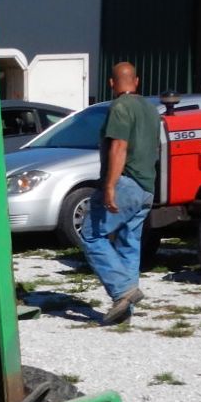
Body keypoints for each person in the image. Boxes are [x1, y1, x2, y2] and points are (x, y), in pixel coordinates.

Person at [81, 61, 160, 325]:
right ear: (136, 81)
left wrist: (110, 186)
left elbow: (119, 147)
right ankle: (125, 309)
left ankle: (122, 290)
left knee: (91, 234)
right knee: (129, 242)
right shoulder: (150, 109)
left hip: (126, 182)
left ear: (111, 84)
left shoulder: (120, 107)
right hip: (147, 186)